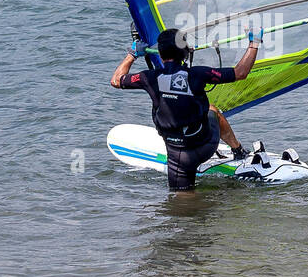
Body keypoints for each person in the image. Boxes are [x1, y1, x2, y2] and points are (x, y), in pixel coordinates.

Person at [111, 27, 261, 191]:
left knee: (182, 203)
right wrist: (254, 43)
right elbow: (240, 73)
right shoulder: (198, 74)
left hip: (177, 156)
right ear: (187, 52)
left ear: (160, 54)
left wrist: (132, 54)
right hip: (205, 145)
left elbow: (116, 81)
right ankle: (238, 150)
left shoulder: (149, 78)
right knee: (213, 110)